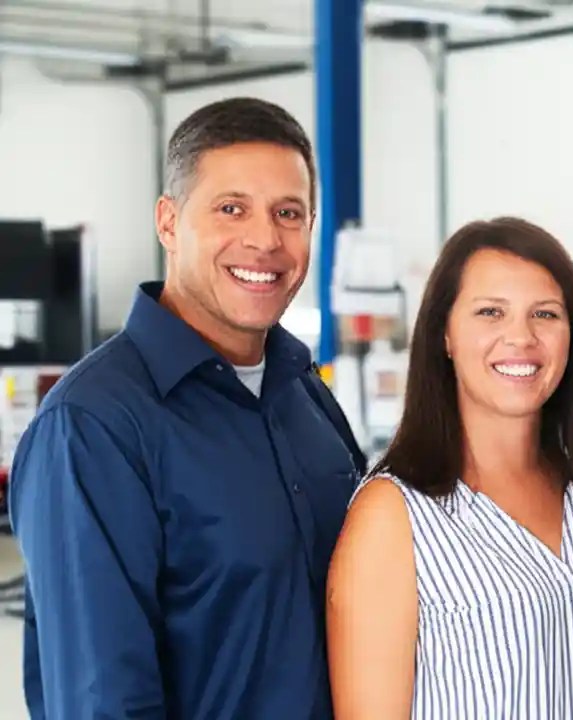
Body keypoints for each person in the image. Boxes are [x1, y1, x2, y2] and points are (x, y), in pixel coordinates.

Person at [8, 97, 364, 719]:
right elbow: (102, 701)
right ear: (169, 222)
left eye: (289, 213)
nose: (265, 240)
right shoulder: (94, 426)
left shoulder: (306, 397)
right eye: (232, 209)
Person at [325, 217, 573, 719]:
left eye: (545, 314)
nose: (520, 337)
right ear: (444, 336)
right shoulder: (393, 518)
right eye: (490, 312)